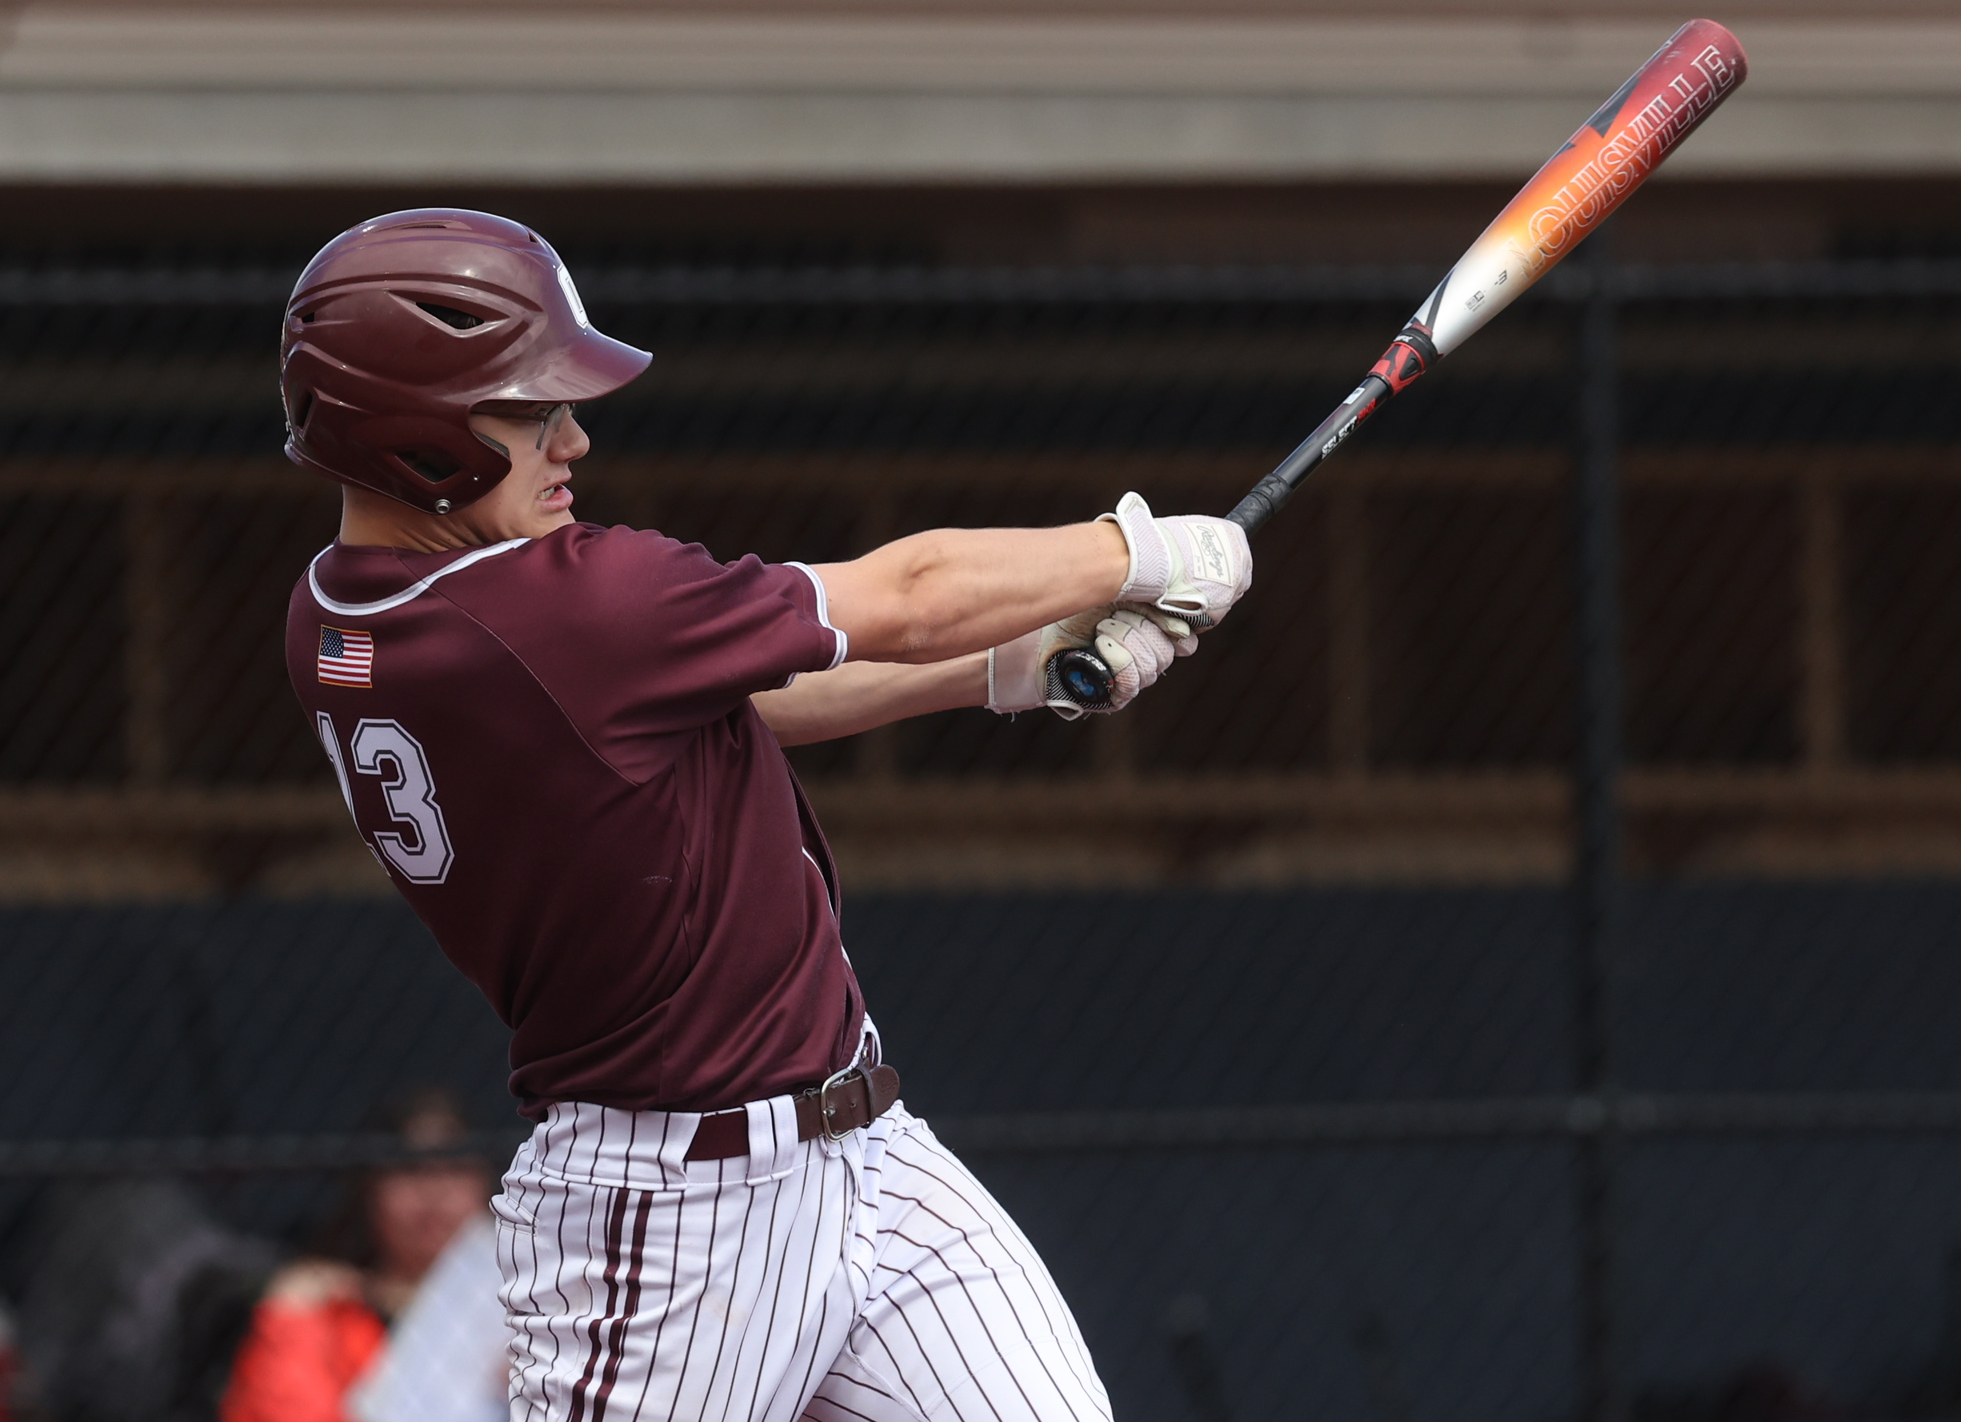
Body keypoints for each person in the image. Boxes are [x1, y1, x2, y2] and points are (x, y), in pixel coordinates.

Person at [279, 208, 1252, 1422]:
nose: (571, 439)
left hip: (872, 1155)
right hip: (672, 1216)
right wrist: (1133, 552)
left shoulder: (336, 617)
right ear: (413, 433)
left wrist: (1005, 666)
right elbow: (910, 592)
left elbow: (706, 707)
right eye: (530, 411)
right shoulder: (559, 610)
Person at [221, 1089, 491, 1422]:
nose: (433, 1189)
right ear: (369, 1189)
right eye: (409, 1168)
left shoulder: (533, 1306)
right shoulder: (318, 1311)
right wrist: (291, 1321)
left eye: (454, 1166)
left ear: (487, 1183)